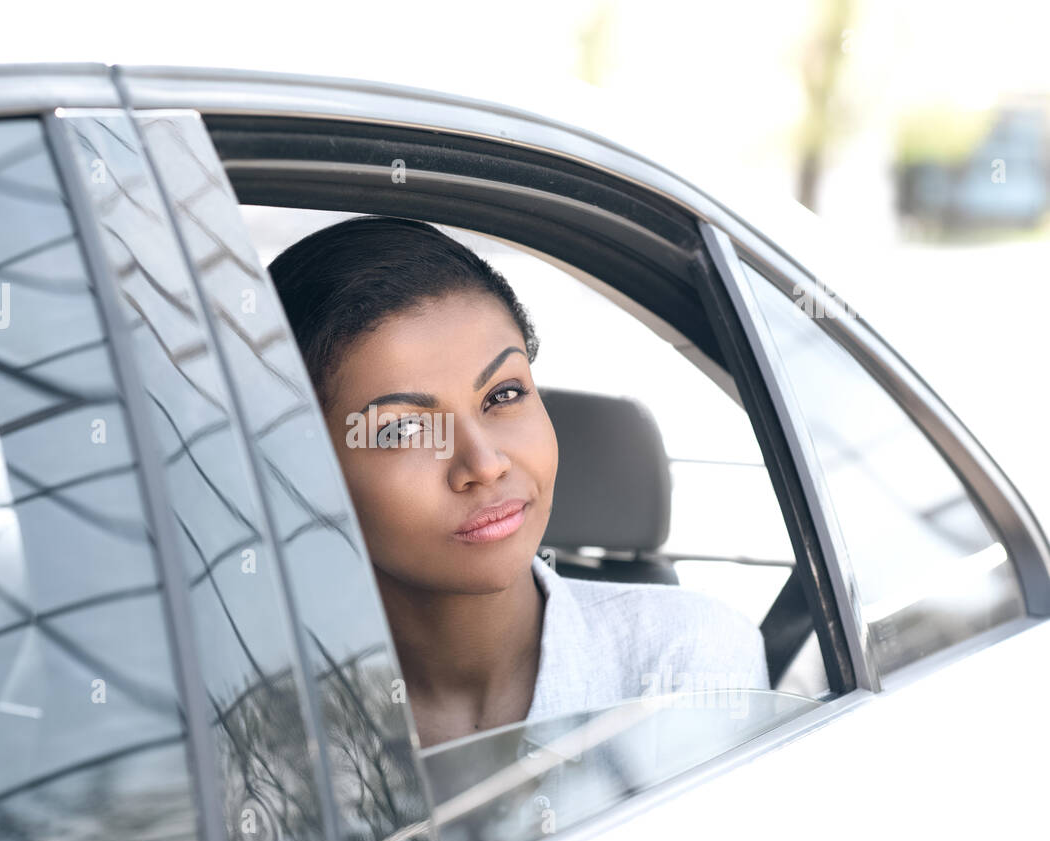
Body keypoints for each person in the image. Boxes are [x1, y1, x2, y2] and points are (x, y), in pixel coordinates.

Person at [268, 215, 770, 749]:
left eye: (503, 396)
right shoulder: (264, 731)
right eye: (405, 428)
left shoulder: (687, 662)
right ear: (304, 471)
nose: (484, 464)